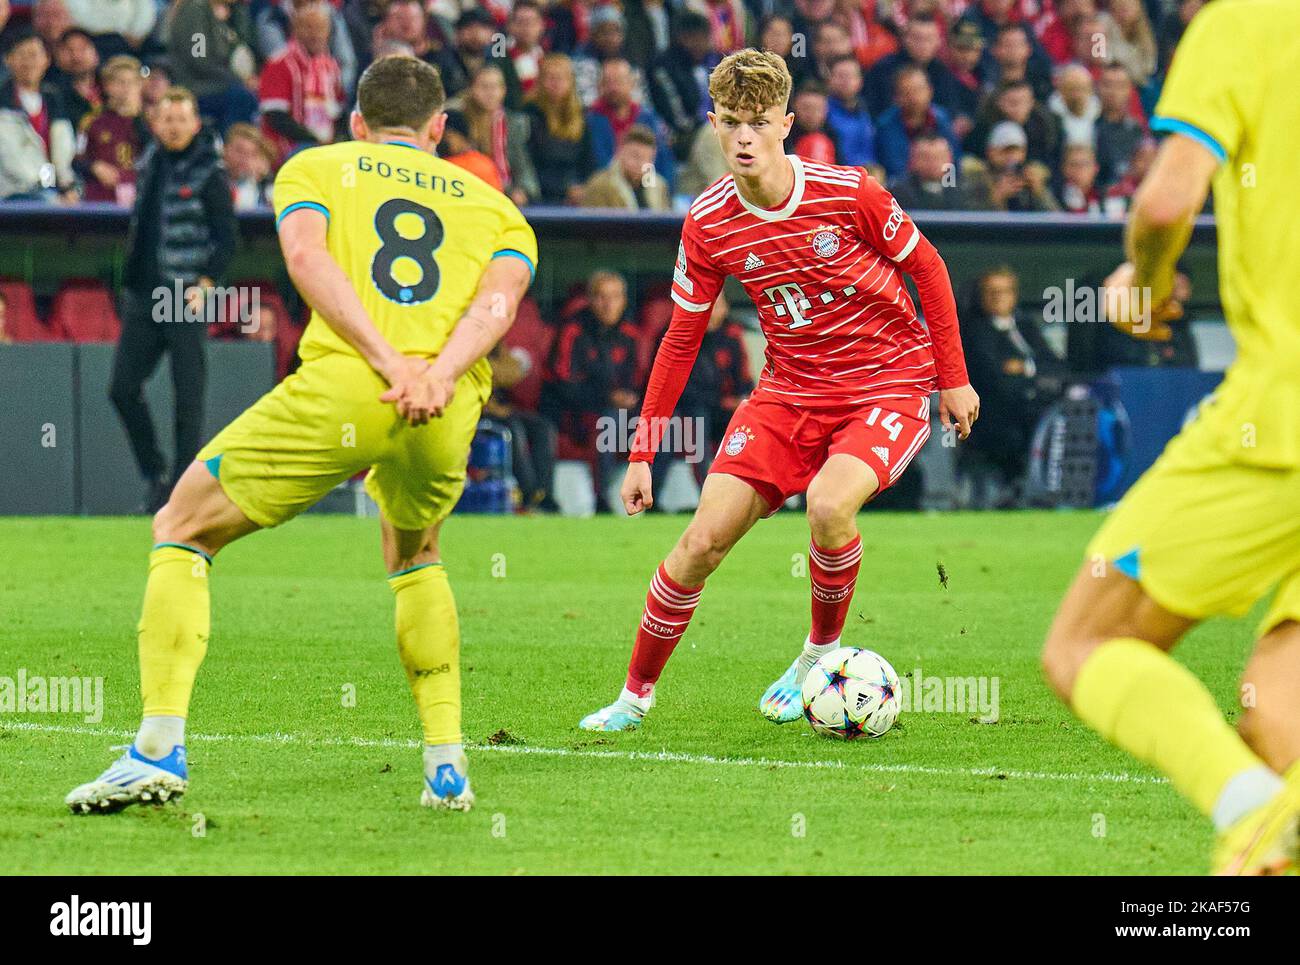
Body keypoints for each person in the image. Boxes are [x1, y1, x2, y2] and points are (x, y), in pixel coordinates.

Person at [66, 55, 537, 816]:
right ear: (440, 129)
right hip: (445, 406)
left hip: (354, 384)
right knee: (417, 554)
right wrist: (436, 375)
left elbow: (307, 259)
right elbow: (498, 305)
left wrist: (388, 362)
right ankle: (447, 763)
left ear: (357, 122)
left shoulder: (315, 167)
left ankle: (155, 749)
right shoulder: (495, 207)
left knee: (182, 525)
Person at [578, 49, 978, 732]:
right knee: (700, 542)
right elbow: (681, 338)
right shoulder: (707, 220)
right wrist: (643, 450)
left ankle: (816, 661)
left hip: (888, 380)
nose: (742, 137)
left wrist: (955, 377)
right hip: (789, 391)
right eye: (730, 121)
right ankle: (633, 698)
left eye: (758, 122)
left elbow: (931, 269)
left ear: (786, 123)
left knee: (826, 505)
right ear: (711, 122)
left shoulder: (849, 192)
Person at [1041, 2, 1300, 875]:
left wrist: (1145, 287)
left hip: (1284, 418)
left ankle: (1254, 811)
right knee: (1278, 713)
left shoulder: (1247, 25)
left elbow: (1165, 201)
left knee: (1085, 643)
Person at [110, 86, 235, 512]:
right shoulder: (149, 163)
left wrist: (207, 281)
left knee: (188, 396)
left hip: (185, 294)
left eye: (182, 119)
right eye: (167, 119)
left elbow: (227, 238)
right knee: (122, 389)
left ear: (196, 124)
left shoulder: (210, 172)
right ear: (155, 124)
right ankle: (156, 472)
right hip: (145, 292)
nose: (174, 127)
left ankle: (182, 491)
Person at [957, 266, 1064, 507]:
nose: (998, 297)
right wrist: (1031, 375)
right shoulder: (975, 329)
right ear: (981, 296)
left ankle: (1050, 492)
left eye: (1004, 291)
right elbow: (992, 374)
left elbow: (1055, 365)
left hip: (1036, 408)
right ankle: (1017, 491)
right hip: (994, 416)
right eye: (992, 292)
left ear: (1014, 295)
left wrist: (1025, 368)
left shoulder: (1025, 325)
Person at [540, 270, 641, 509]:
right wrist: (608, 398)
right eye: (602, 297)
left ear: (624, 301)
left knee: (664, 425)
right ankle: (602, 498)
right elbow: (564, 384)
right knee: (609, 421)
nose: (608, 305)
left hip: (619, 411)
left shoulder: (629, 336)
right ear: (591, 300)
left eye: (615, 297)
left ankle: (652, 496)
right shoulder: (573, 331)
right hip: (572, 413)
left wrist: (629, 396)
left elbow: (637, 381)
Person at [257, 1, 345, 166]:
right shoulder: (279, 64)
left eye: (321, 28)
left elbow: (338, 112)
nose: (316, 34)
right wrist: (315, 140)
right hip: (290, 151)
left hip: (323, 148)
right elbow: (275, 117)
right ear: (295, 30)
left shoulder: (331, 66)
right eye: (308, 27)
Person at [0, 28, 77, 201]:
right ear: (8, 60)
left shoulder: (55, 101)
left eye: (34, 55)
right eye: (21, 55)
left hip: (53, 193)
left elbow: (63, 156)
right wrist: (52, 195)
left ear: (46, 59)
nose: (28, 62)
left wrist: (67, 186)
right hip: (13, 197)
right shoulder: (3, 104)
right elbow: (13, 163)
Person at [75, 53, 146, 204]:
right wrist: (94, 167)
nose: (126, 88)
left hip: (140, 195)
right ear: (108, 86)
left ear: (140, 85)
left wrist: (138, 117)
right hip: (100, 197)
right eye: (120, 82)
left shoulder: (150, 123)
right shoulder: (91, 122)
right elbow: (77, 159)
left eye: (132, 82)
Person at [524, 52, 594, 205]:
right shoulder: (529, 115)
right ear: (540, 81)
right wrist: (564, 189)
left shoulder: (582, 117)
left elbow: (589, 163)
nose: (556, 83)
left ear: (571, 82)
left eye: (561, 78)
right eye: (550, 78)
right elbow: (528, 165)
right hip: (540, 194)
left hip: (577, 193)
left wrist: (582, 188)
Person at [577, 123, 668, 210]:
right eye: (635, 156)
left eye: (648, 159)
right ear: (620, 152)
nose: (641, 164)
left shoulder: (660, 187)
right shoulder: (600, 186)